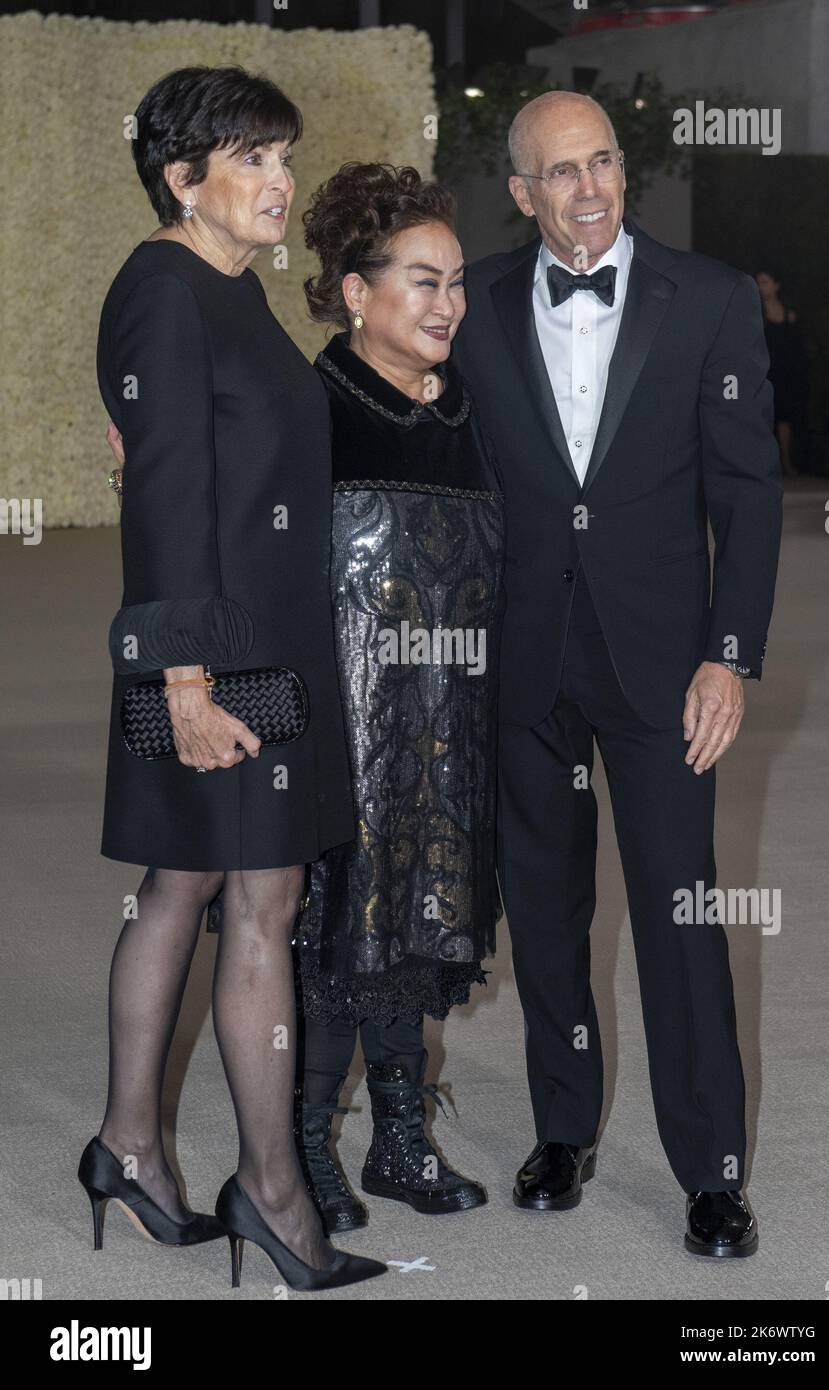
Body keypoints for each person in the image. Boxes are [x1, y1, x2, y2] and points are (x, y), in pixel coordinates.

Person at [450, 91, 783, 1257]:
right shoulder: (478, 305)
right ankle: (561, 1128)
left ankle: (711, 1169)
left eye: (601, 164)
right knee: (547, 912)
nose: (588, 189)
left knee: (680, 916)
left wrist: (727, 655)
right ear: (521, 191)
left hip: (663, 666)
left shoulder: (709, 299)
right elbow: (404, 422)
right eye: (561, 172)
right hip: (523, 660)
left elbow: (746, 498)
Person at [83, 64, 385, 1293]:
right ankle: (269, 1192)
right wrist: (184, 681)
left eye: (283, 156)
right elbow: (163, 491)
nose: (280, 182)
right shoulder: (166, 289)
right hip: (217, 655)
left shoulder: (226, 286)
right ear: (182, 177)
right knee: (250, 907)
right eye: (252, 159)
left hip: (251, 640)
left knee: (182, 887)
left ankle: (128, 1146)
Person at [201, 165, 504, 1232]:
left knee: (420, 938)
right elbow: (236, 539)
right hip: (342, 726)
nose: (448, 304)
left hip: (449, 730)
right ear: (354, 291)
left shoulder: (473, 407)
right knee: (333, 941)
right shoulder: (311, 402)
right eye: (422, 282)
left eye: (457, 282)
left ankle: (402, 1140)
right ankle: (309, 1153)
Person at [755, 270, 808, 477]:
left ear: (776, 285)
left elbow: (795, 347)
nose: (761, 286)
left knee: (785, 418)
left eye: (765, 282)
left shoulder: (788, 314)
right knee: (764, 418)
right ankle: (765, 463)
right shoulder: (756, 312)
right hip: (763, 373)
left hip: (784, 374)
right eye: (758, 282)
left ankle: (785, 461)